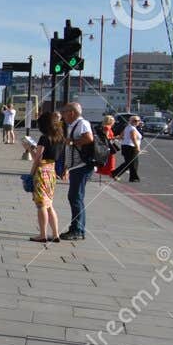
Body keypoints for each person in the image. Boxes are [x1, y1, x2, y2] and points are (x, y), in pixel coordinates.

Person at [60, 100, 96, 240]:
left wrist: (72, 142)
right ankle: (76, 228)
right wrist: (67, 167)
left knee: (76, 197)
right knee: (74, 197)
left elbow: (89, 138)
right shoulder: (73, 125)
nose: (63, 115)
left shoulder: (82, 123)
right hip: (76, 166)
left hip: (82, 166)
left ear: (72, 113)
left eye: (64, 112)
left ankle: (78, 230)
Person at [29, 110, 63, 243]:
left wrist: (29, 148)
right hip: (52, 171)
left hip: (42, 171)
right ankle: (55, 234)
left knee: (41, 204)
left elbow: (37, 158)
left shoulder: (44, 137)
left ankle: (42, 234)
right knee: (49, 204)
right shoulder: (59, 137)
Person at [112, 114, 143, 183]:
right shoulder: (132, 128)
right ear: (130, 121)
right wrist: (137, 147)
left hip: (126, 146)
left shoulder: (127, 127)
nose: (137, 122)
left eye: (138, 120)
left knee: (129, 163)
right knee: (133, 163)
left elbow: (121, 136)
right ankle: (133, 178)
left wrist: (115, 138)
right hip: (131, 147)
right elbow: (133, 138)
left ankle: (116, 173)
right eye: (135, 120)